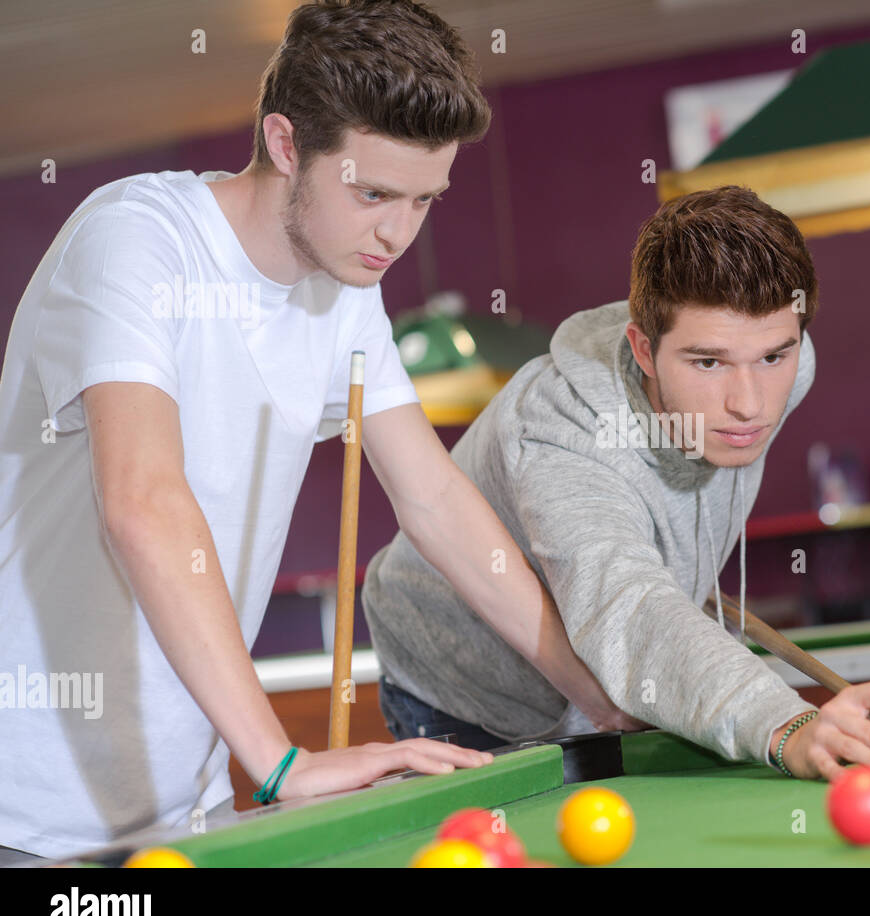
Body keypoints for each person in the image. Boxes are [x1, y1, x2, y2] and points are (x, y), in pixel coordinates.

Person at [0, 0, 635, 864]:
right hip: (22, 811)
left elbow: (436, 498)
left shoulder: (346, 289)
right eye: (372, 193)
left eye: (424, 200)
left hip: (183, 812)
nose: (397, 234)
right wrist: (279, 759)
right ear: (287, 143)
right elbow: (143, 500)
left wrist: (595, 693)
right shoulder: (138, 241)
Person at [363, 185, 870, 781]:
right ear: (644, 350)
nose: (750, 404)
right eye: (708, 362)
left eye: (773, 357)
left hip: (622, 664)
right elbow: (626, 604)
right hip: (469, 693)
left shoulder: (790, 363)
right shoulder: (564, 428)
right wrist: (783, 722)